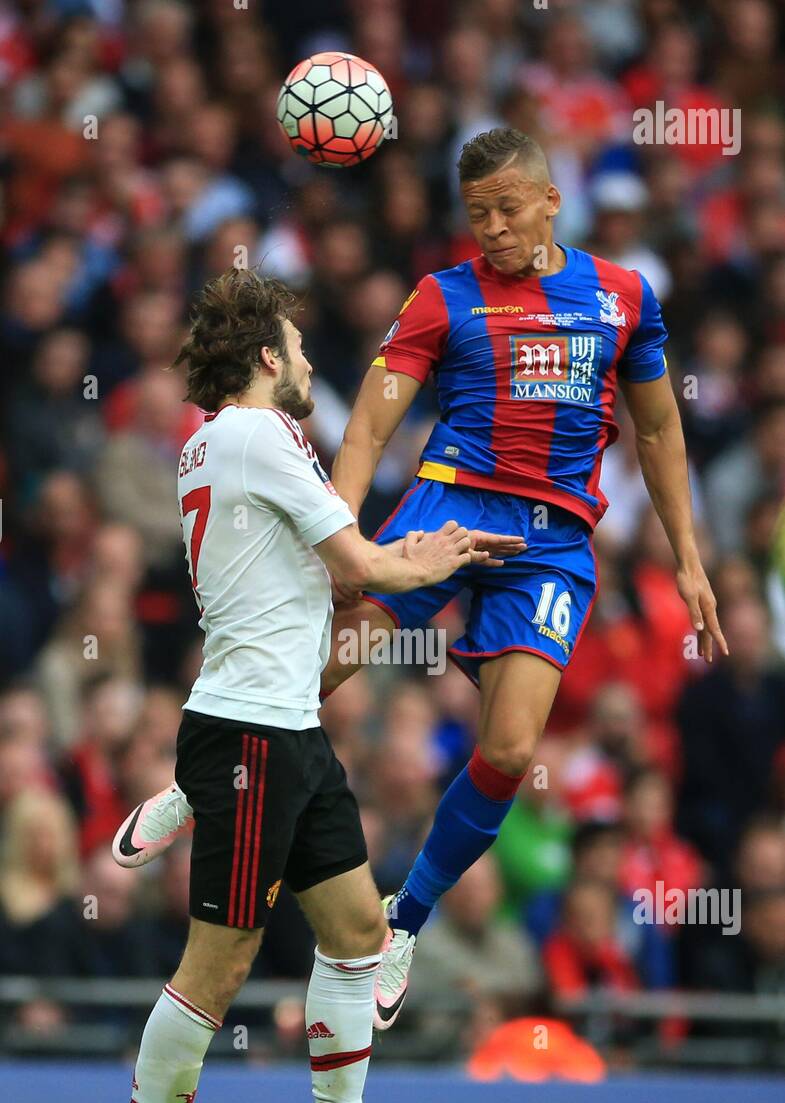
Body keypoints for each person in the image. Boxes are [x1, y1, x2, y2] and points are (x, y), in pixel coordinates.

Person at [114, 124, 727, 1035]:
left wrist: (686, 556)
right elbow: (362, 430)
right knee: (317, 669)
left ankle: (404, 919)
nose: (491, 228)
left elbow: (659, 432)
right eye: (476, 213)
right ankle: (195, 788)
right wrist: (344, 545)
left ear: (551, 202)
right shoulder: (442, 298)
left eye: (507, 209)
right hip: (448, 512)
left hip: (553, 541)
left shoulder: (622, 296)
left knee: (514, 750)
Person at [95, 267, 511, 1103]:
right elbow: (359, 567)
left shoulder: (214, 443)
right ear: (264, 359)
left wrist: (424, 555)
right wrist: (444, 556)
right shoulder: (257, 433)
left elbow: (340, 563)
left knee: (359, 929)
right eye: (298, 345)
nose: (312, 362)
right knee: (219, 967)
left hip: (283, 728)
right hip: (248, 736)